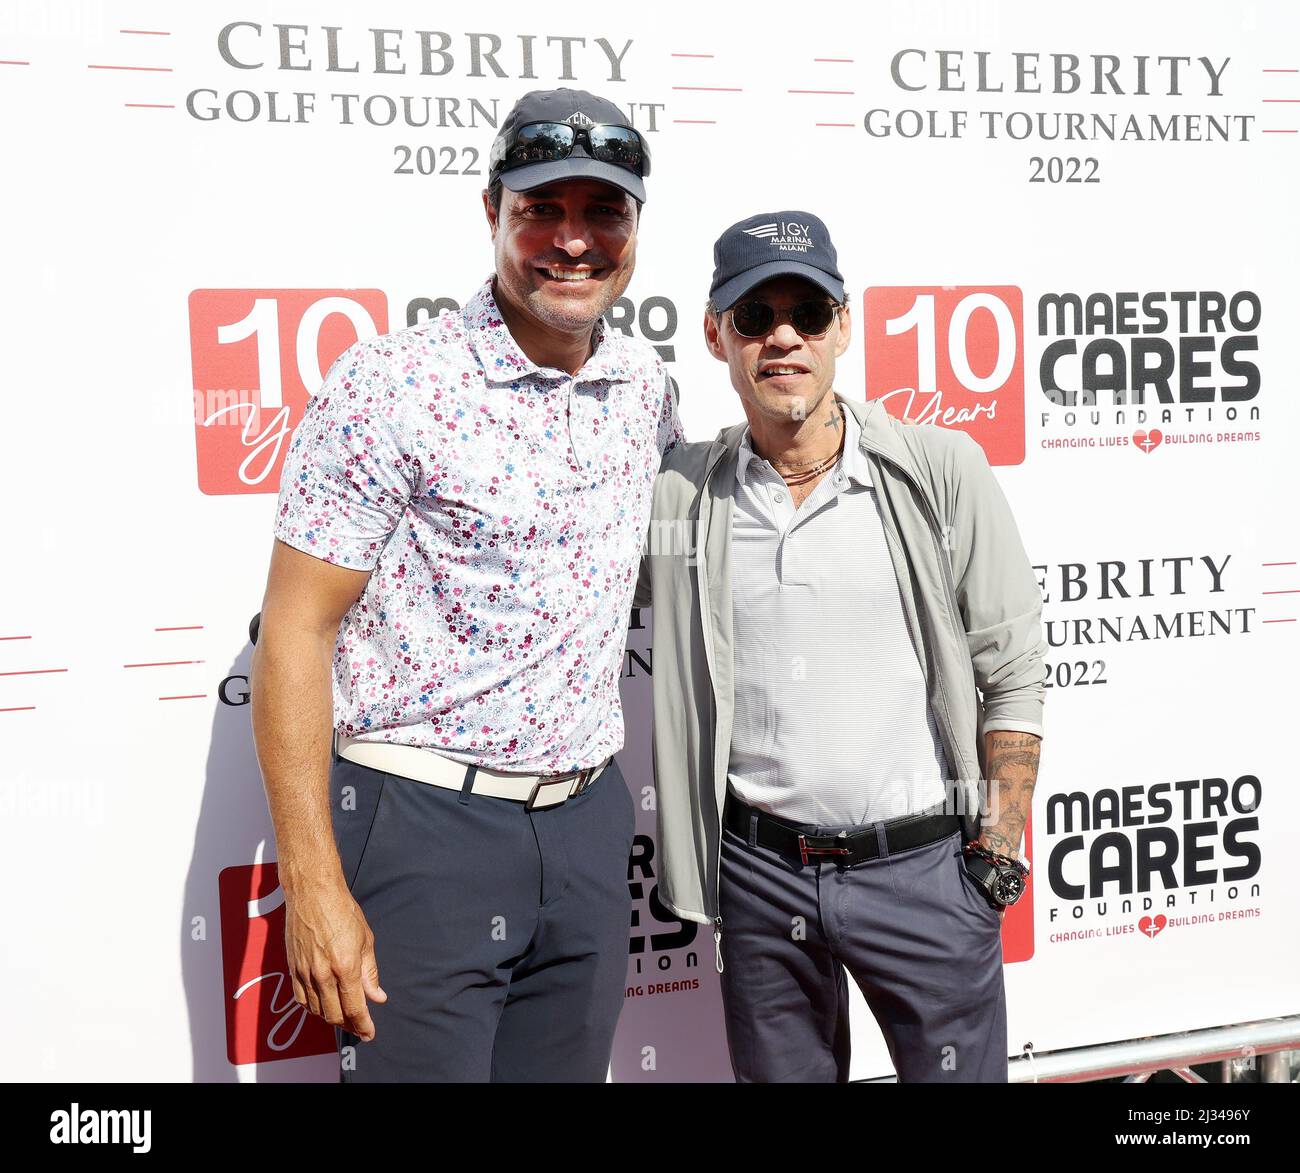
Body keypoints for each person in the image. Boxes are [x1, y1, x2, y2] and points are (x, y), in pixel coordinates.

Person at [250, 87, 684, 1082]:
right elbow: (295, 632)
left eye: (602, 211)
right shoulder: (391, 386)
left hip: (585, 830)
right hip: (420, 832)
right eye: (542, 209)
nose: (572, 241)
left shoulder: (643, 390)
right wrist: (311, 882)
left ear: (634, 229)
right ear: (490, 211)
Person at [635, 210, 1045, 1082]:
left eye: (808, 313)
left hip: (927, 872)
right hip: (761, 877)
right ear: (716, 334)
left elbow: (1011, 672)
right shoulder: (682, 497)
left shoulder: (937, 472)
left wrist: (995, 862)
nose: (783, 337)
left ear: (843, 327)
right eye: (755, 316)